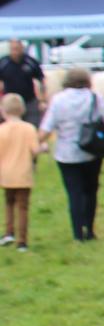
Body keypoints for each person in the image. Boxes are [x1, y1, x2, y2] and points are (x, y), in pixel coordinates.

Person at [39, 66, 104, 243]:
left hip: (66, 153)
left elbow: (46, 127)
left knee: (74, 193)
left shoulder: (58, 100)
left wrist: (37, 141)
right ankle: (89, 230)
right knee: (91, 191)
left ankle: (77, 233)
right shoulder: (94, 98)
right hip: (91, 151)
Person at [0, 92, 39, 250]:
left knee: (8, 203)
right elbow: (35, 150)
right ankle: (22, 241)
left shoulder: (1, 129)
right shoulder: (29, 128)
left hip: (5, 174)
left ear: (3, 110)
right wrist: (42, 147)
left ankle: (9, 232)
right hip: (24, 174)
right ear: (22, 109)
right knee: (22, 207)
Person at [1, 38, 47, 130]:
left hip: (29, 101)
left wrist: (42, 101)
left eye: (17, 48)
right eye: (13, 49)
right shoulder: (3, 63)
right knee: (11, 129)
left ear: (22, 48)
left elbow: (41, 81)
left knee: (32, 127)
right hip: (10, 102)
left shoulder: (31, 62)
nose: (15, 51)